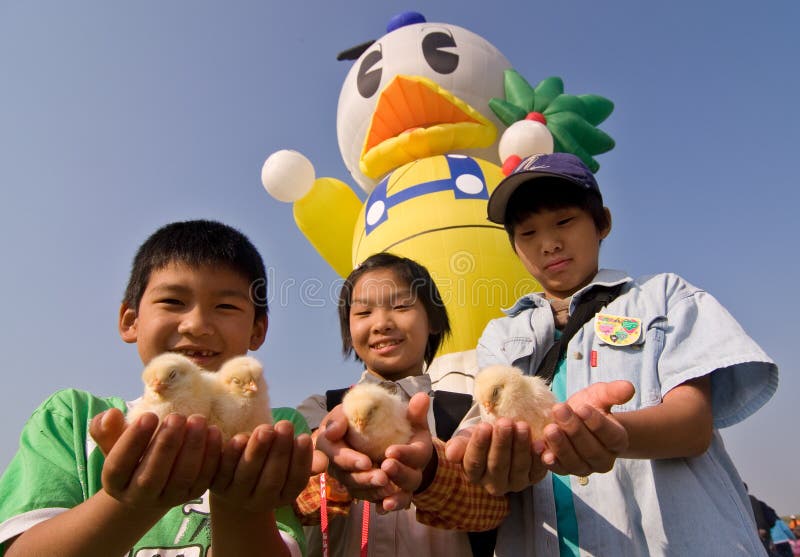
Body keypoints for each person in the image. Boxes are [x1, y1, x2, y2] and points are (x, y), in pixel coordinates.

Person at [437, 152, 779, 555]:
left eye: (564, 221)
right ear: (514, 248)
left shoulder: (663, 297)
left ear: (603, 223)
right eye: (528, 233)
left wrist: (615, 434)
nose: (549, 244)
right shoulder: (501, 334)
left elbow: (693, 424)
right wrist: (486, 465)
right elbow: (487, 439)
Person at [0, 219, 313, 557]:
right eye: (172, 301)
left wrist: (240, 505)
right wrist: (130, 502)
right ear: (130, 320)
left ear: (257, 330)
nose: (196, 325)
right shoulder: (72, 417)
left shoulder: (273, 430)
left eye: (225, 307)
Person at [295, 252, 505, 557]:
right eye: (364, 312)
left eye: (401, 305)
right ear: (348, 330)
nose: (381, 323)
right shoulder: (321, 409)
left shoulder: (467, 412)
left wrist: (430, 473)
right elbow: (293, 502)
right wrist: (333, 469)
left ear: (433, 319)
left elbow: (491, 505)